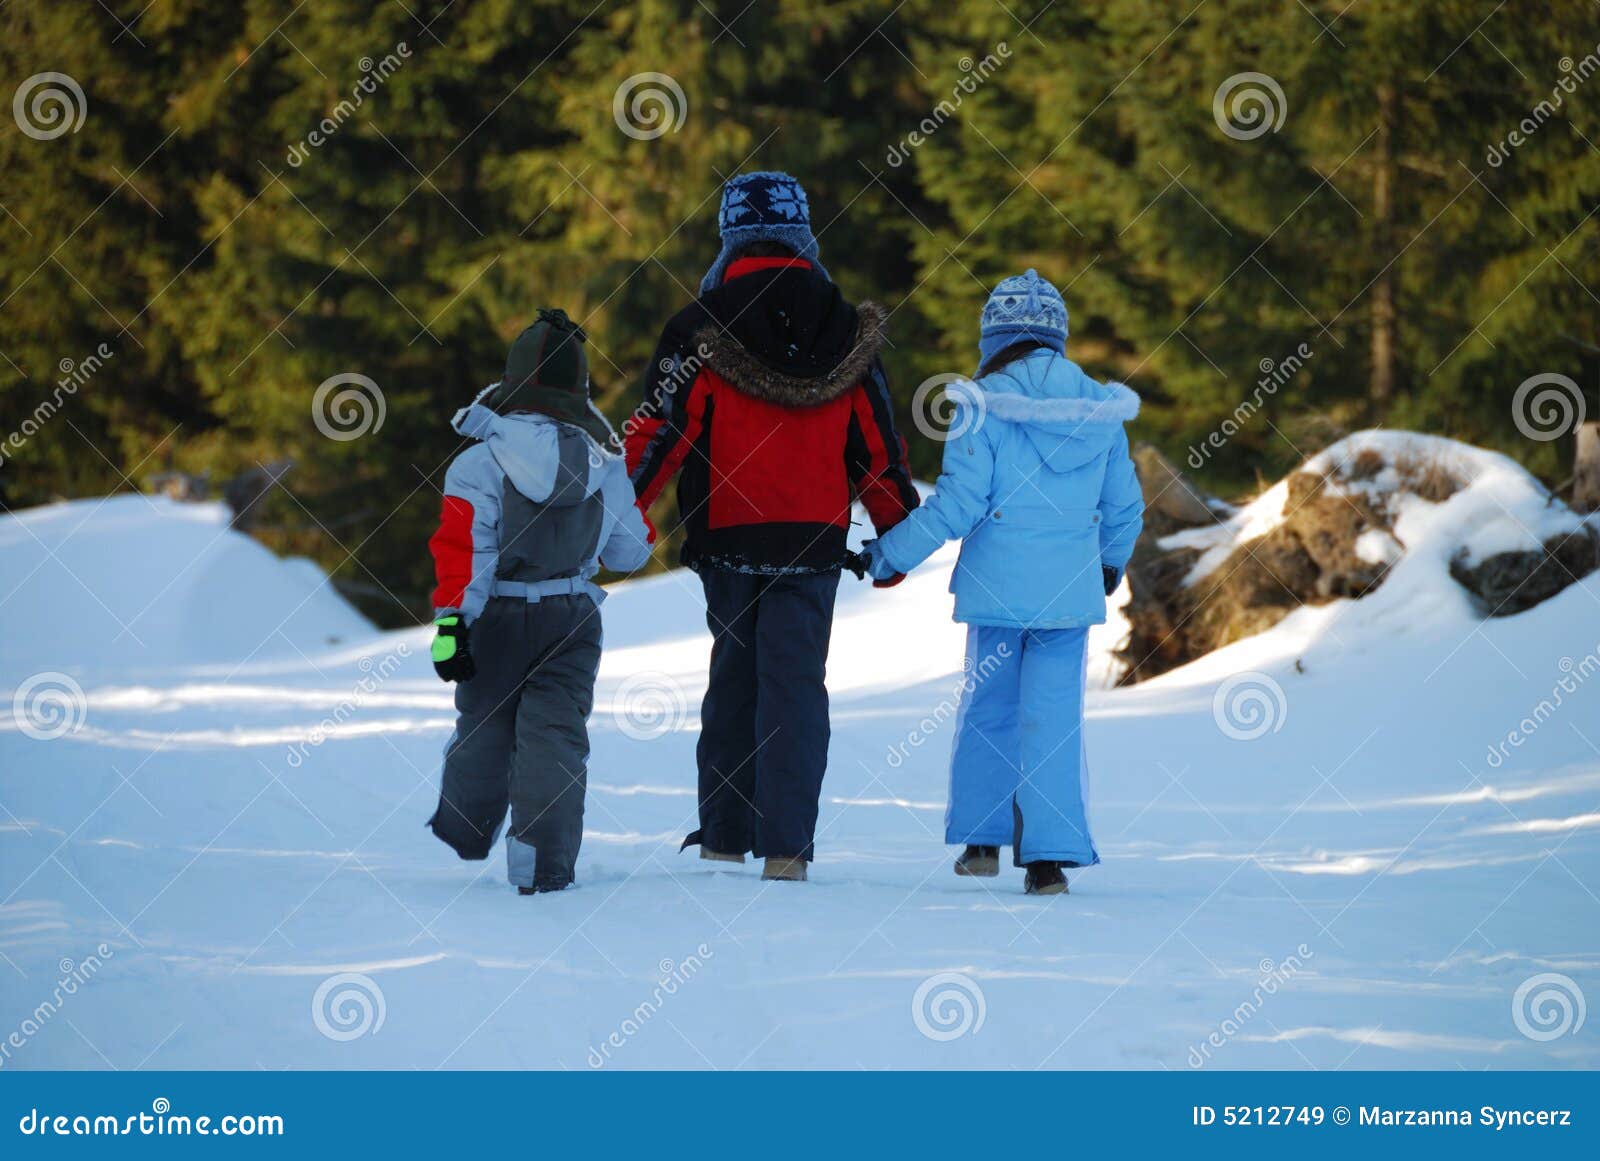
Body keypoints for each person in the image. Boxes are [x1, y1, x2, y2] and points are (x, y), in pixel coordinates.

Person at [628, 171, 918, 883]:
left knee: (734, 678)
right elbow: (876, 445)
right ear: (803, 234)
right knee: (796, 686)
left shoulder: (698, 327)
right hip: (814, 540)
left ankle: (726, 836)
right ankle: (787, 848)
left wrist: (623, 513)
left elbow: (662, 432)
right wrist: (897, 533)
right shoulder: (846, 328)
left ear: (729, 237)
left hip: (728, 536)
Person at [859, 269, 1144, 895]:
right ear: (1057, 339)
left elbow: (958, 505)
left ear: (995, 340)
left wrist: (890, 553)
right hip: (1068, 596)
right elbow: (1125, 507)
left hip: (997, 592)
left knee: (989, 710)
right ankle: (1047, 861)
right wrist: (1106, 564)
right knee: (1053, 718)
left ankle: (982, 842)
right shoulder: (1100, 413)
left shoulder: (978, 407)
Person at [426, 308, 653, 894]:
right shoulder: (605, 466)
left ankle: (465, 830)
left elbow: (465, 551)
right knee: (555, 737)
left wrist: (453, 624)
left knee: (484, 727)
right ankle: (541, 869)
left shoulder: (477, 463)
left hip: (496, 616)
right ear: (578, 391)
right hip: (571, 619)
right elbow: (630, 553)